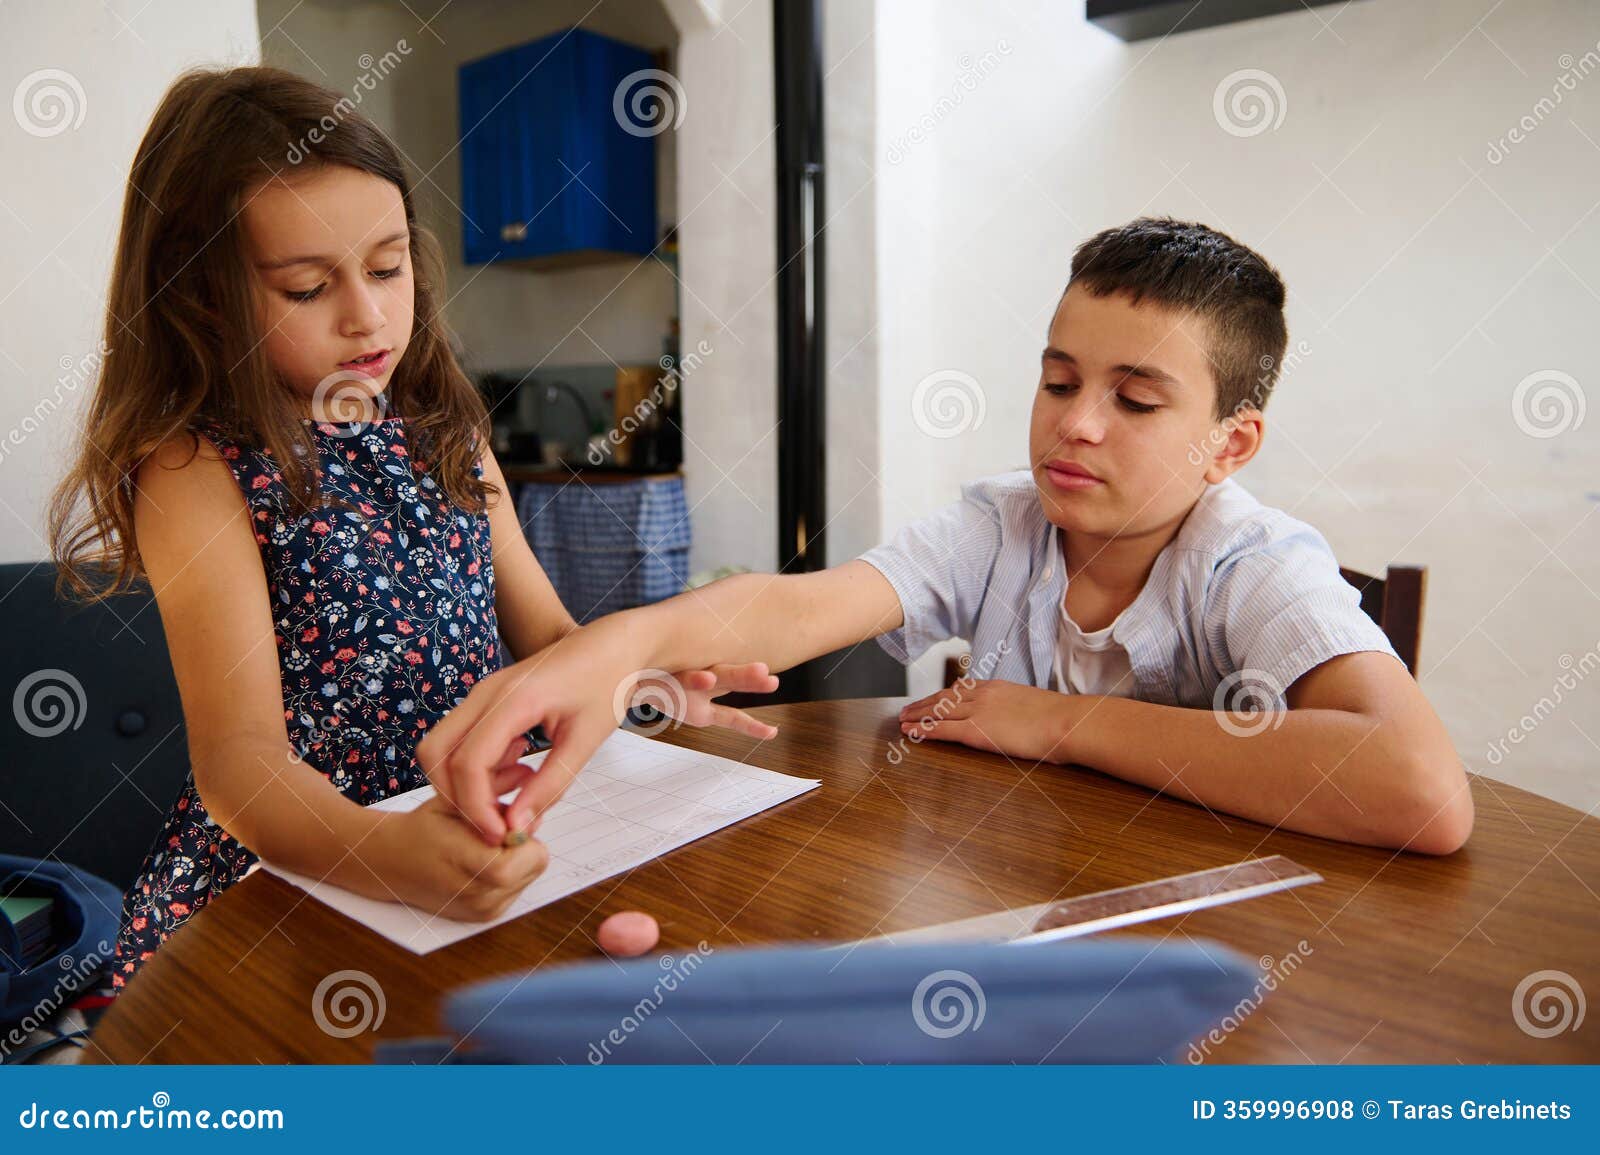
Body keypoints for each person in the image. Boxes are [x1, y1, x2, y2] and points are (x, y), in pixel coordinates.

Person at [47, 66, 776, 992]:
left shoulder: (447, 432)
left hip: (466, 835)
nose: (367, 315)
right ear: (202, 297)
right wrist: (385, 853)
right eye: (306, 288)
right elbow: (240, 765)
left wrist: (639, 681)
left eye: (388, 268)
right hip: (298, 875)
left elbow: (552, 642)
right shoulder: (195, 469)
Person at [420, 218, 1473, 857]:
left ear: (1228, 445)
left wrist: (1053, 721)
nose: (1076, 423)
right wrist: (620, 644)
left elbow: (1419, 791)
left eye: (1136, 400)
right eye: (1057, 380)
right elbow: (798, 605)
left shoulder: (1254, 561)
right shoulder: (1001, 521)